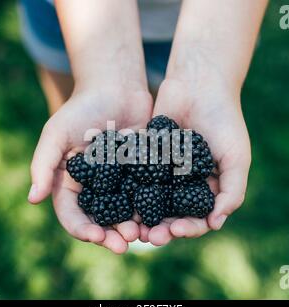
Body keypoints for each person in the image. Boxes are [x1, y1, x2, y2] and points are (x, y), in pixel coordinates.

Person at [21, 0, 268, 254]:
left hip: (200, 26)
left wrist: (207, 77)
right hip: (73, 16)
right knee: (69, 95)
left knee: (158, 101)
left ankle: (141, 227)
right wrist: (100, 81)